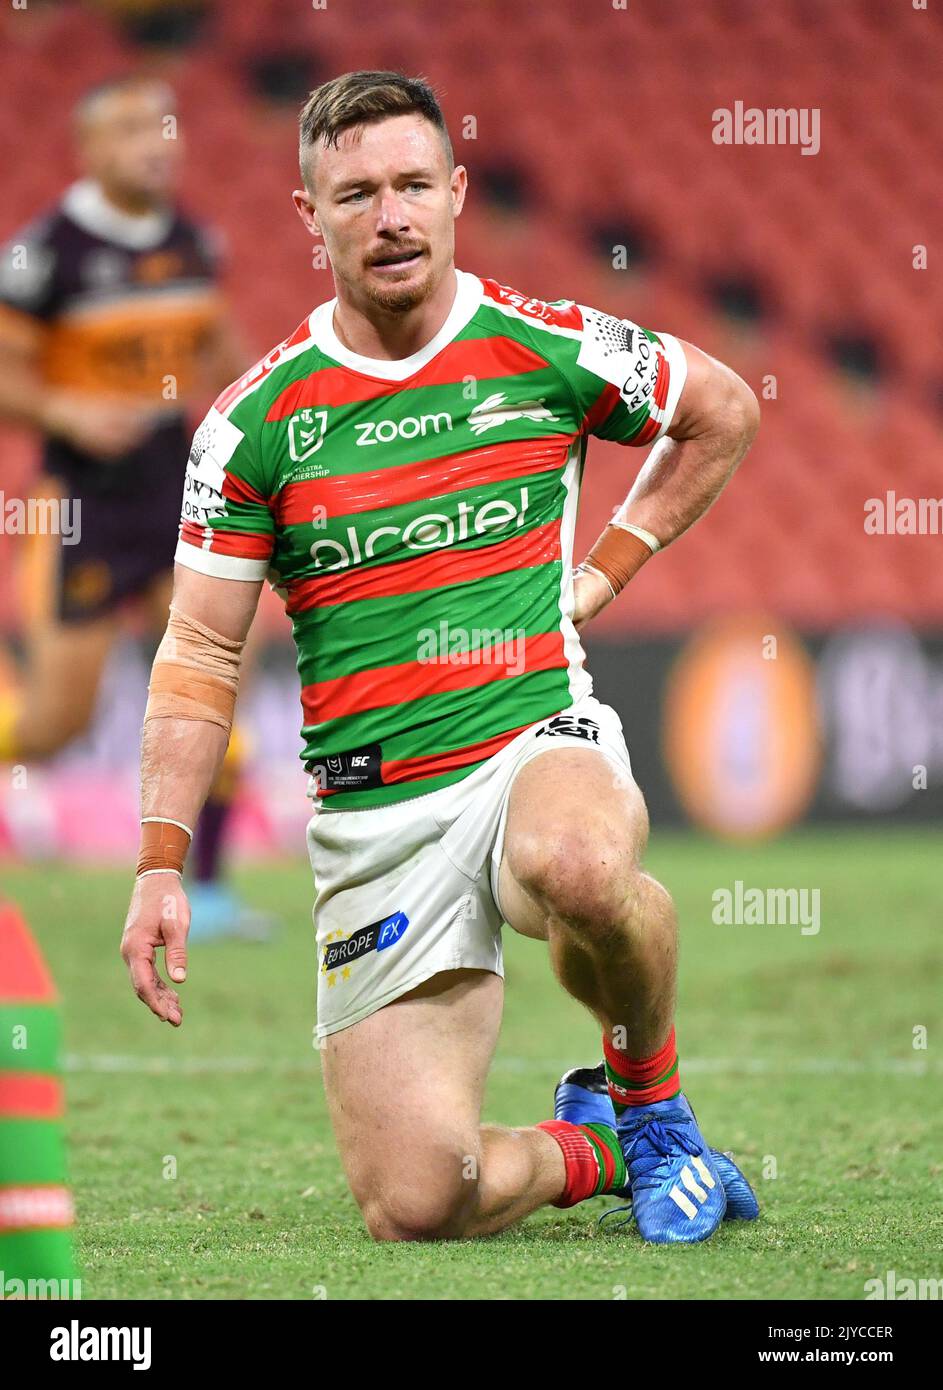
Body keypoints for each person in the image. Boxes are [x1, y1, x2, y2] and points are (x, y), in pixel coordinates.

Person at [120, 70, 761, 1243]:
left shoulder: (548, 345)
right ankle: (600, 1148)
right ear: (308, 218)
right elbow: (201, 649)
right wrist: (163, 861)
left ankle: (656, 1103)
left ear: (458, 192)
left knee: (575, 864)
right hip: (374, 820)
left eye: (414, 183)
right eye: (355, 193)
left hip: (531, 738)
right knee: (418, 1202)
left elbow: (720, 408)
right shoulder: (254, 422)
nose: (391, 214)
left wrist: (606, 569)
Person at [0, 76, 266, 939]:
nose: (157, 144)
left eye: (165, 127)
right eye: (131, 131)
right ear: (89, 149)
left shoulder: (193, 242)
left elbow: (224, 355)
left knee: (210, 681)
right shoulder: (46, 255)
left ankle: (215, 889)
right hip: (79, 509)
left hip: (175, 497)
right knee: (54, 722)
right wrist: (64, 410)